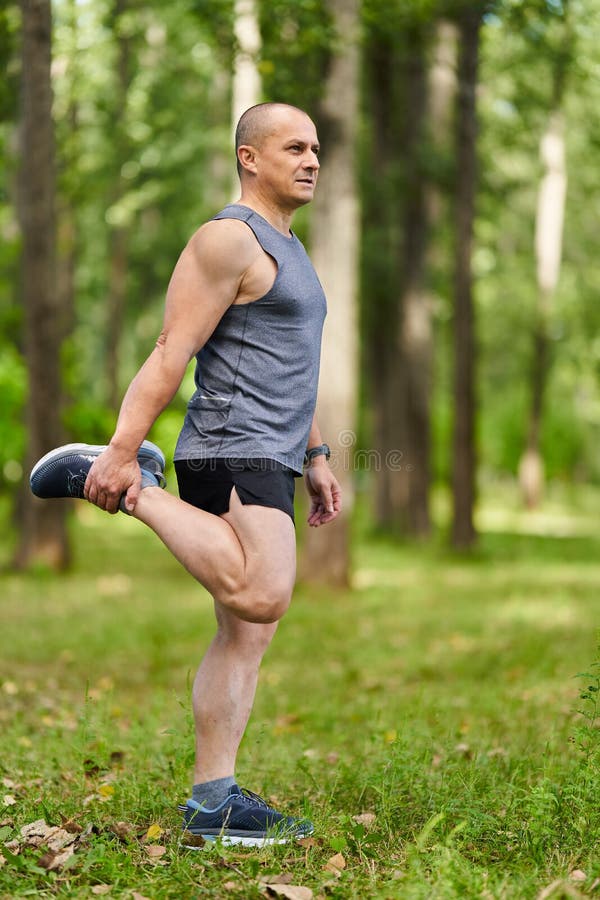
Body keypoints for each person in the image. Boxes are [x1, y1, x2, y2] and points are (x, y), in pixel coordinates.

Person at [30, 102, 342, 847]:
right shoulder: (227, 240)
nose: (311, 160)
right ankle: (131, 486)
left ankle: (213, 801)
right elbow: (173, 349)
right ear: (248, 157)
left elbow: (292, 368)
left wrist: (317, 455)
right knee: (262, 594)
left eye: (315, 149)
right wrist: (120, 449)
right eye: (293, 147)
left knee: (245, 635)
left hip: (272, 449)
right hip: (232, 445)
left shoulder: (290, 247)